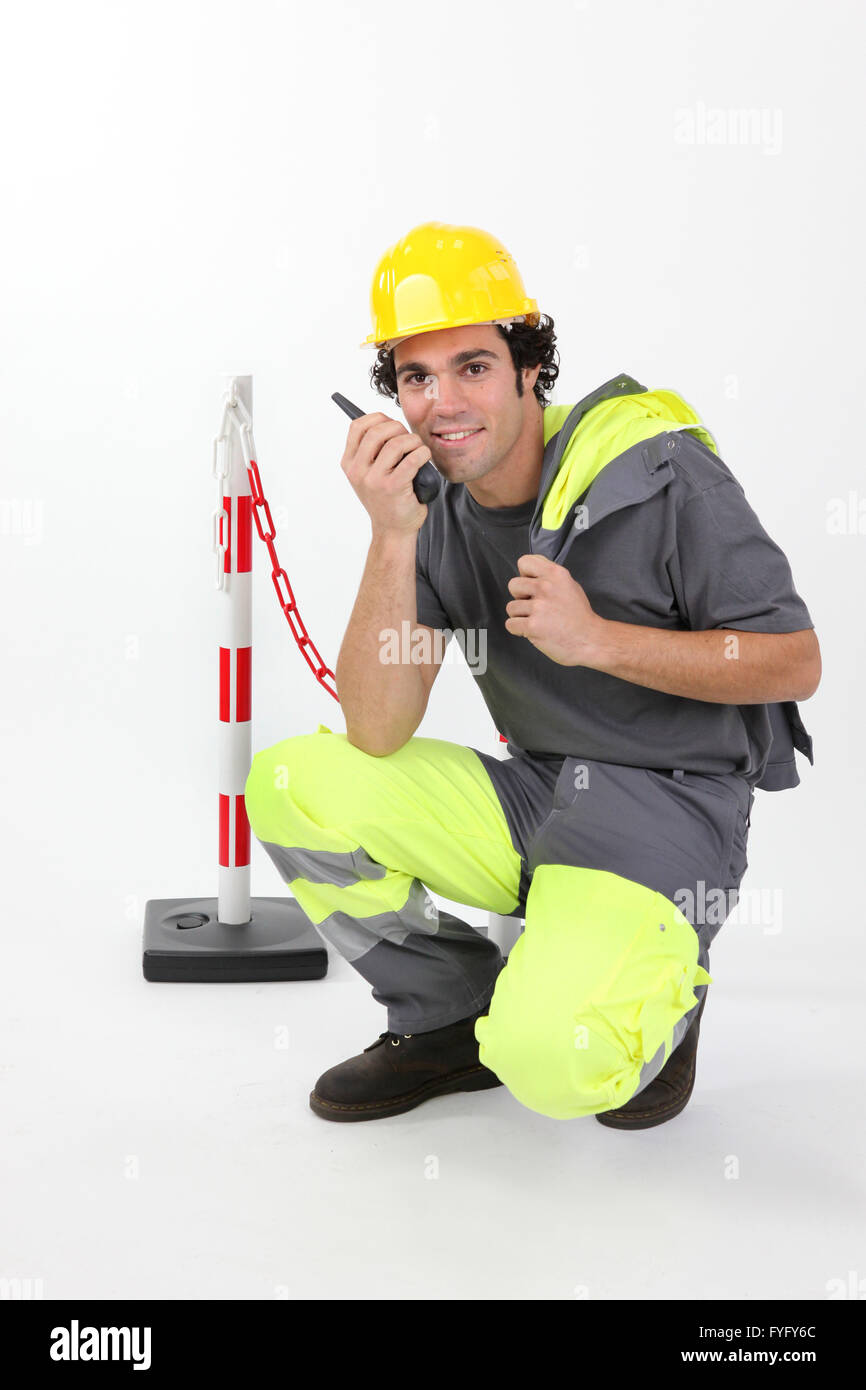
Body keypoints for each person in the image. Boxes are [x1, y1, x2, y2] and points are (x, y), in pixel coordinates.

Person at [244, 221, 821, 1127]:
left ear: (529, 369)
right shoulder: (433, 510)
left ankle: (663, 989)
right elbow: (377, 730)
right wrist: (392, 533)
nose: (442, 402)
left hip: (670, 811)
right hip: (542, 792)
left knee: (552, 1067)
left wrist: (599, 640)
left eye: (472, 366)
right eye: (415, 378)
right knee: (292, 783)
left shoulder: (658, 470)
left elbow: (796, 660)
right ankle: (447, 1013)